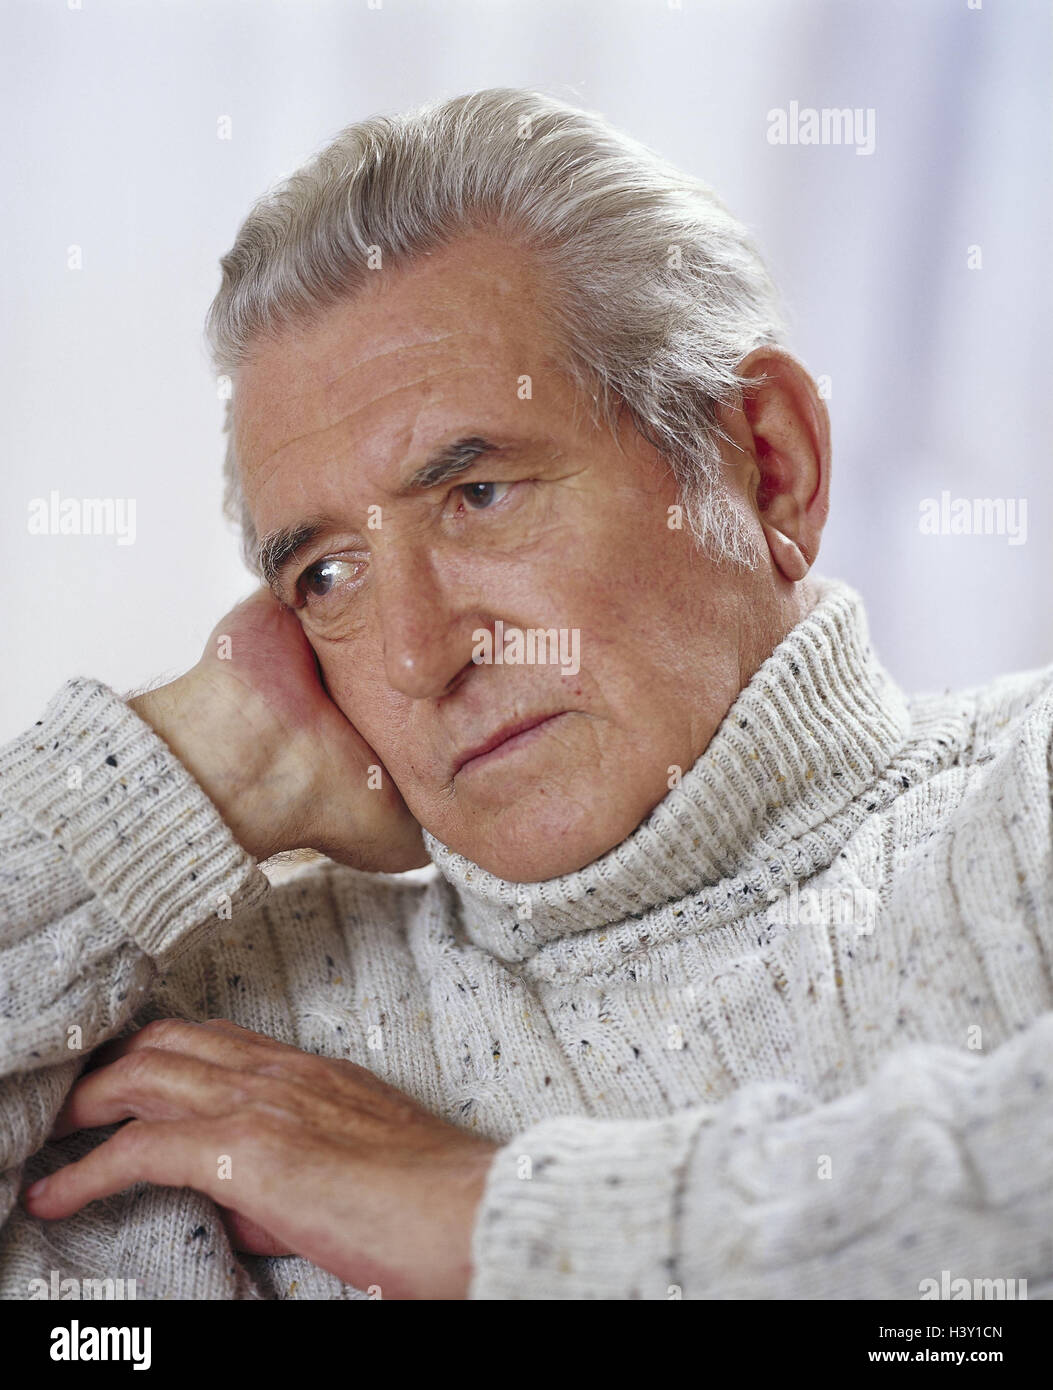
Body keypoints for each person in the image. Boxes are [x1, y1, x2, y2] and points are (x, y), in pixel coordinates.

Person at [2, 87, 1050, 1301]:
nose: (415, 654)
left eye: (480, 494)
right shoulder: (244, 1046)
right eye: (326, 573)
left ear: (767, 465)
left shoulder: (1022, 804)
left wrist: (492, 1217)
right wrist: (178, 772)